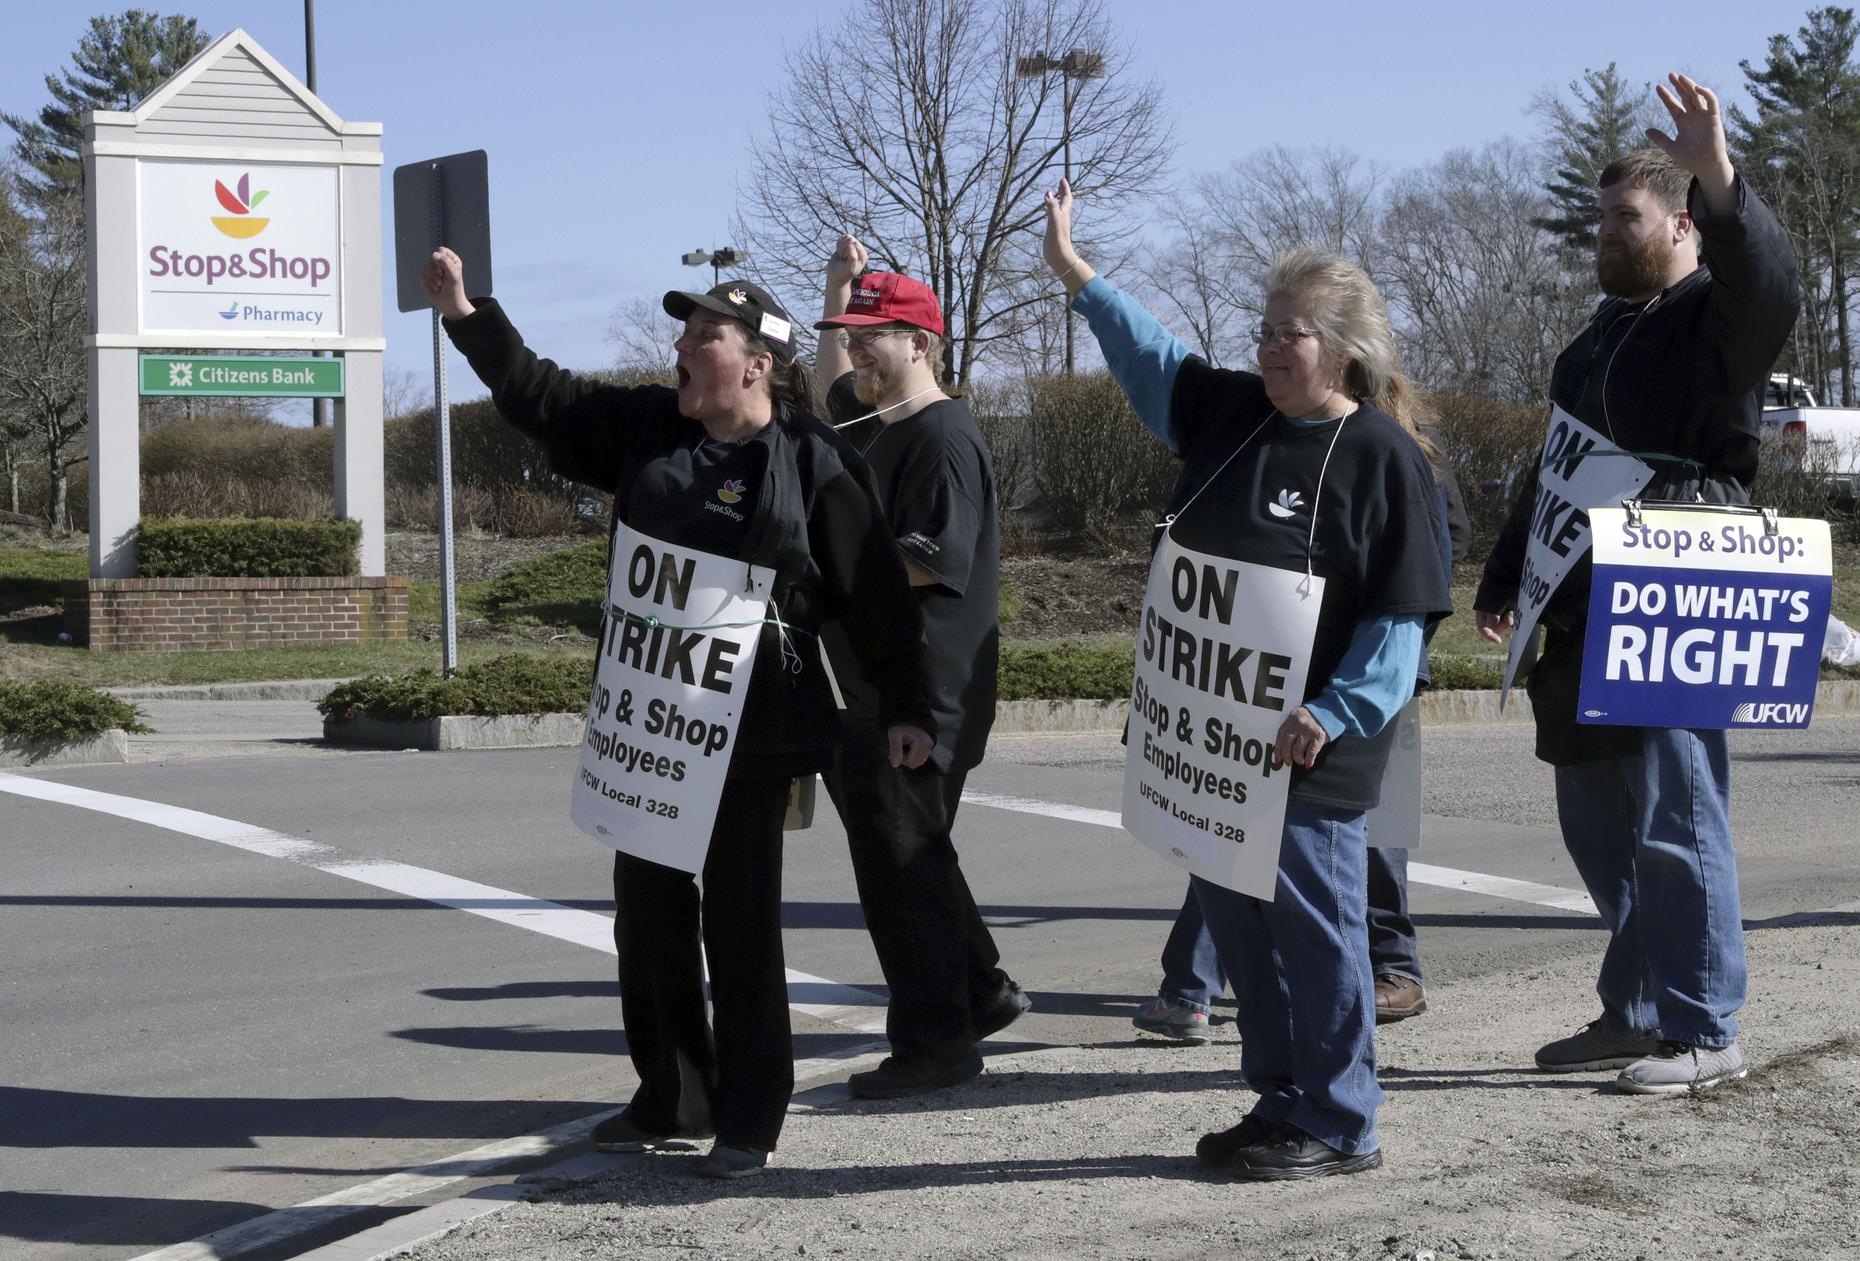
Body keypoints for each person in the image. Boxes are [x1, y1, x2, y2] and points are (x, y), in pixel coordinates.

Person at [419, 246, 935, 1179]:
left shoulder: (813, 460)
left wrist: (907, 705)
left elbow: (875, 598)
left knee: (739, 921)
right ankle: (673, 1092)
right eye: (683, 331)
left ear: (757, 362)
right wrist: (466, 314)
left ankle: (748, 1115)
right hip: (650, 729)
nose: (683, 347)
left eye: (706, 334)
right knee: (647, 913)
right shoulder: (648, 427)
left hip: (757, 730)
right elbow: (543, 395)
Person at [1043, 180, 1450, 1180]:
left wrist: (1332, 710)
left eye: (1293, 333)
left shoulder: (1384, 459)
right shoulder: (1229, 414)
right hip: (1215, 745)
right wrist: (1078, 276)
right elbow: (1152, 360)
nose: (1270, 348)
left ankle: (1344, 1117)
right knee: (1240, 928)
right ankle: (1282, 1097)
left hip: (1312, 747)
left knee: (1316, 937)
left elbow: (1403, 622)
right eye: (1264, 330)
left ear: (1346, 346)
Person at [1473, 75, 1799, 1094]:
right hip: (1575, 601)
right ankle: (1641, 1005)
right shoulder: (1592, 344)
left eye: (1628, 216)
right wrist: (1506, 569)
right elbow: (1556, 470)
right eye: (1601, 216)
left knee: (1674, 808)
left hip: (1678, 573)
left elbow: (1771, 284)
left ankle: (1708, 1024)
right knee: (1597, 814)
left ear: (1683, 224)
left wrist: (1719, 173)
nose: (1606, 231)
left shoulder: (1715, 318)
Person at [1133, 456, 1466, 1043]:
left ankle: (1387, 970)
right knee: (1234, 823)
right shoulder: (1279, 444)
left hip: (1363, 679)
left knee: (1362, 831)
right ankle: (1194, 987)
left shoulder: (1394, 452)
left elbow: (1440, 546)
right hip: (1274, 678)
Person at [811, 236, 1030, 1098]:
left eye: (874, 335)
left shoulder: (940, 437)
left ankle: (935, 1043)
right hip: (878, 687)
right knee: (919, 860)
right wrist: (837, 286)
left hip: (922, 697)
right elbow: (830, 388)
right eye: (852, 334)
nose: (857, 348)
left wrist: (822, 566)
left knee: (902, 875)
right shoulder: (875, 421)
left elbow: (935, 560)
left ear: (921, 343)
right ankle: (977, 989)